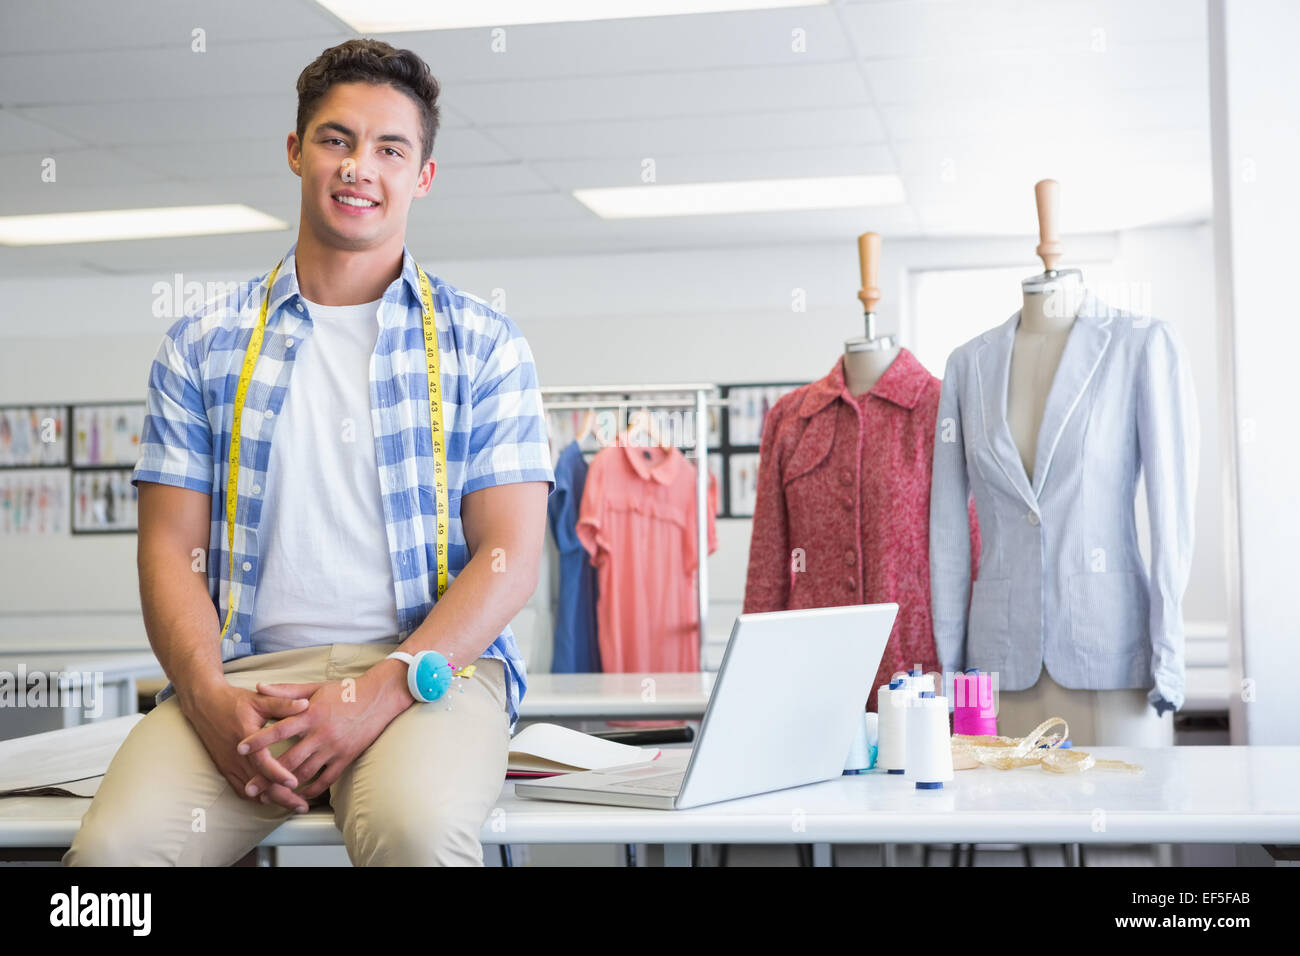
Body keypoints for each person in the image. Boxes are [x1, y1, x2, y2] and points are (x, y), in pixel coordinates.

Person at [64, 38, 554, 866]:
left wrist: (380, 691)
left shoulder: (485, 344)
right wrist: (206, 693)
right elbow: (167, 549)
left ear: (422, 176)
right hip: (248, 678)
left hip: (431, 676)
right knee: (112, 857)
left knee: (418, 834)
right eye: (336, 139)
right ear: (296, 152)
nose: (360, 166)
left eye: (390, 149)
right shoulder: (201, 344)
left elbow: (510, 554)